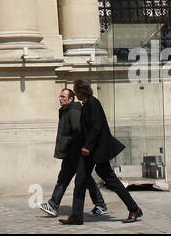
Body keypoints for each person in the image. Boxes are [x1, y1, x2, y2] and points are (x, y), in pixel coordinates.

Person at [60, 78, 143, 225]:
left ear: (80, 91)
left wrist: (88, 146)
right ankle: (77, 216)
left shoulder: (93, 103)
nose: (75, 93)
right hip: (92, 150)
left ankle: (134, 208)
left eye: (76, 90)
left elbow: (97, 127)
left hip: (96, 150)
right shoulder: (87, 104)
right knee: (81, 180)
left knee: (109, 180)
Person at [39, 86, 106, 217]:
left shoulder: (73, 111)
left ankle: (100, 204)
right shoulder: (66, 110)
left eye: (63, 97)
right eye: (60, 96)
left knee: (84, 179)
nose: (60, 98)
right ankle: (53, 205)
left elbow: (78, 131)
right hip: (70, 153)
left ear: (70, 99)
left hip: (75, 152)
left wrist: (77, 149)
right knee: (64, 179)